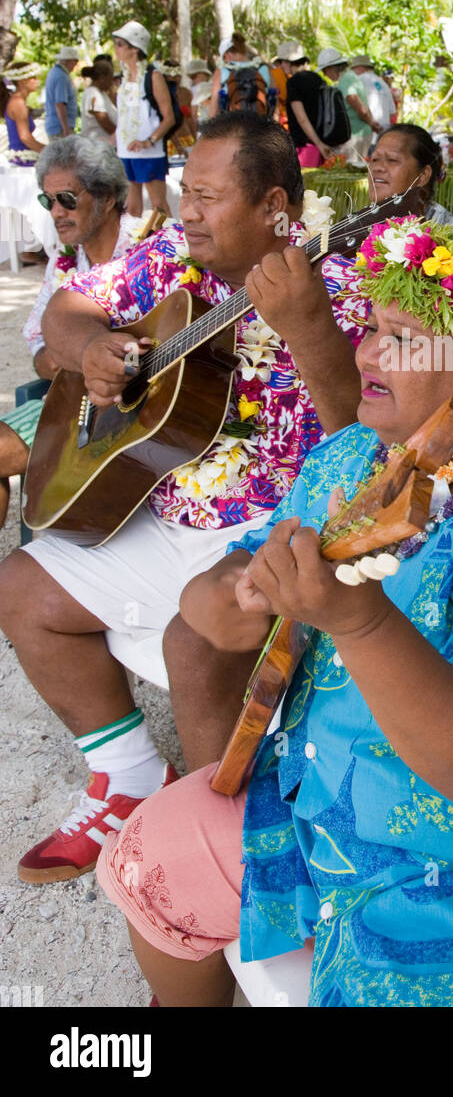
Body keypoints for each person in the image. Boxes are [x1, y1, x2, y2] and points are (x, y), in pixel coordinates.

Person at [95, 218, 453, 1008]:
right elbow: (237, 570)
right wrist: (230, 596)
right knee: (148, 858)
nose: (365, 351)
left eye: (400, 338)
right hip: (331, 799)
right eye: (370, 326)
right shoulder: (354, 457)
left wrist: (358, 621)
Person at [0, 112, 368, 885]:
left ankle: (221, 855)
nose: (187, 211)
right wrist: (90, 351)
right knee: (22, 586)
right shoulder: (168, 256)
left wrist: (309, 331)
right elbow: (66, 311)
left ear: (275, 207)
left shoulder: (344, 282)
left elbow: (362, 444)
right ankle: (130, 775)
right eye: (184, 192)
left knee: (194, 645)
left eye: (206, 195)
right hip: (162, 512)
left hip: (278, 528)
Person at [0, 138, 143, 528]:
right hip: (71, 404)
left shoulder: (149, 247)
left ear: (107, 196)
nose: (56, 212)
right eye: (48, 202)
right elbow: (36, 339)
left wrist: (70, 354)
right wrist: (71, 355)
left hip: (134, 411)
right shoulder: (65, 260)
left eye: (66, 198)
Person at [113, 20, 174, 218]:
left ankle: (172, 245)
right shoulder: (123, 79)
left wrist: (149, 141)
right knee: (131, 207)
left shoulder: (153, 76)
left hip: (150, 153)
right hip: (126, 151)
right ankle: (135, 246)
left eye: (120, 44)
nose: (116, 48)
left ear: (135, 49)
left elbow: (169, 118)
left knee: (159, 205)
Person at [368, 123, 453, 232]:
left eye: (392, 160)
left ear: (423, 175)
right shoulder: (360, 227)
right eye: (374, 159)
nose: (377, 168)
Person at [317, 49, 379, 164]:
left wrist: (371, 123)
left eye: (325, 70)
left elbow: (357, 103)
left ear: (331, 68)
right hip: (359, 134)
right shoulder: (350, 77)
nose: (325, 74)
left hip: (356, 136)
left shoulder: (346, 79)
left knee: (351, 172)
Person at [277, 42, 331, 167]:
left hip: (305, 147)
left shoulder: (293, 82)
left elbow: (301, 118)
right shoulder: (317, 78)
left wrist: (319, 144)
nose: (280, 66)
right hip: (323, 142)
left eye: (281, 62)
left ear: (288, 62)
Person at [209, 33, 272, 120]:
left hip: (233, 128)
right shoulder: (263, 69)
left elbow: (213, 110)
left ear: (227, 55)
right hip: (261, 126)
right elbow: (274, 104)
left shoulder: (221, 72)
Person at [1, 60, 45, 164]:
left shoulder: (18, 101)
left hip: (24, 156)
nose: (37, 81)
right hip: (23, 160)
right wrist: (48, 152)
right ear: (22, 81)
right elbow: (25, 137)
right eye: (33, 78)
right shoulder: (18, 103)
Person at [351, 53, 397, 138]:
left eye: (353, 69)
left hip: (364, 137)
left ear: (359, 67)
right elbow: (392, 113)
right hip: (382, 136)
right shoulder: (383, 84)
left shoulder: (358, 81)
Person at [43, 46, 81, 140]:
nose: (75, 65)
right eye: (75, 62)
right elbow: (60, 104)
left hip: (55, 125)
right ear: (68, 61)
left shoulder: (55, 72)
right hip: (59, 128)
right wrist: (66, 128)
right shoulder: (61, 77)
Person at [80, 58, 118, 144]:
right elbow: (106, 124)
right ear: (102, 78)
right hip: (97, 146)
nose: (112, 82)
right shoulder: (93, 93)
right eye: (110, 78)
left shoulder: (101, 93)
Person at [185, 59, 212, 137]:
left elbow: (194, 115)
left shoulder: (193, 91)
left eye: (193, 76)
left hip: (202, 128)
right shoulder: (214, 87)